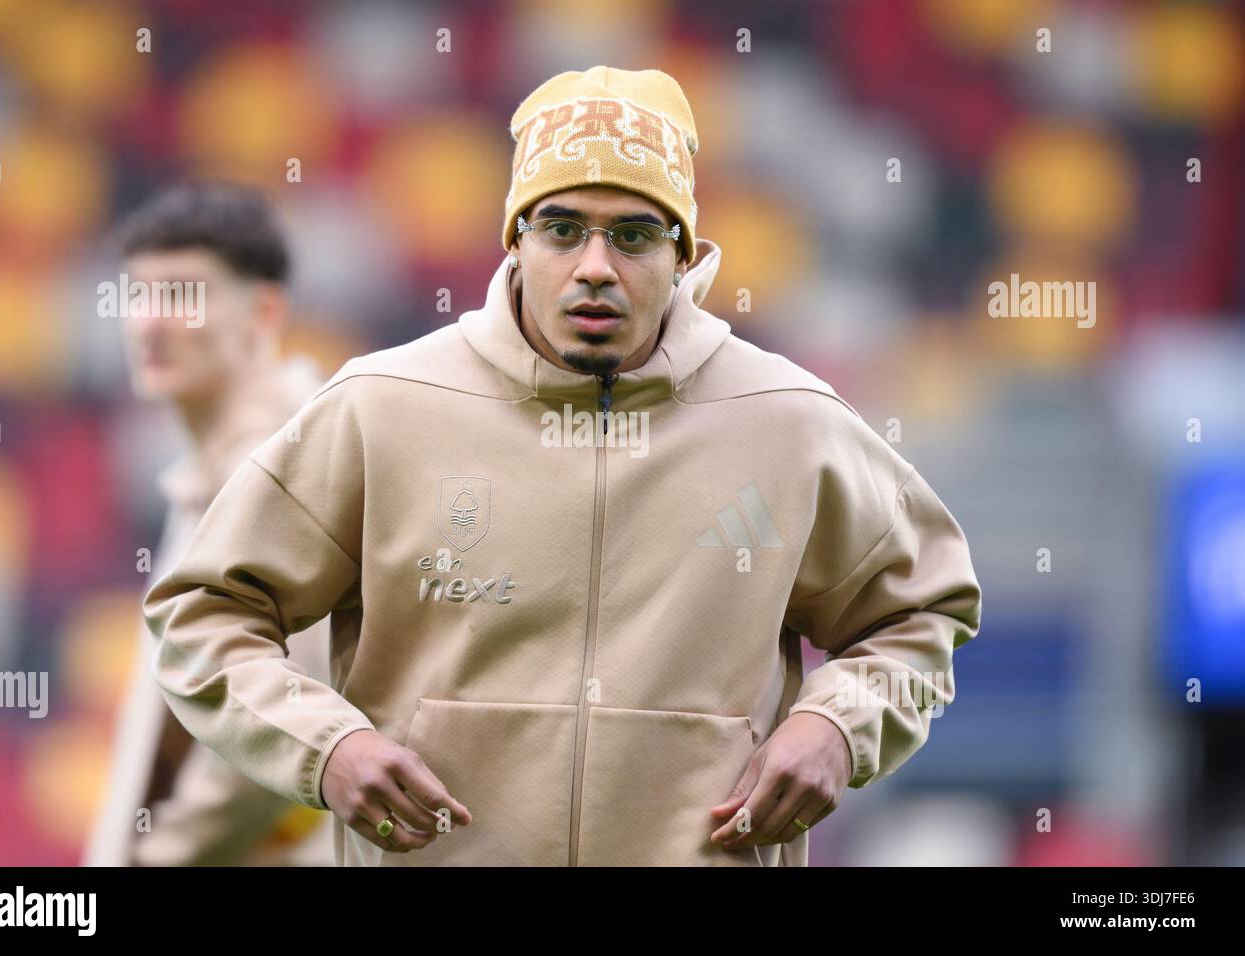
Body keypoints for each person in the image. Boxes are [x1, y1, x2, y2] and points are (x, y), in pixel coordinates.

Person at [142, 66, 982, 866]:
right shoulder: (380, 405)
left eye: (634, 234)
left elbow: (921, 612)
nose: (594, 266)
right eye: (562, 228)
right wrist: (327, 747)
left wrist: (837, 726)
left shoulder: (792, 424)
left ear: (682, 256)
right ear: (516, 240)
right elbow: (204, 613)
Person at [85, 181, 334, 866]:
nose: (149, 322)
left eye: (181, 295)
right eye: (138, 296)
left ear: (265, 311)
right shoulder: (218, 472)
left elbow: (286, 731)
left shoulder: (290, 471)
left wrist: (158, 858)